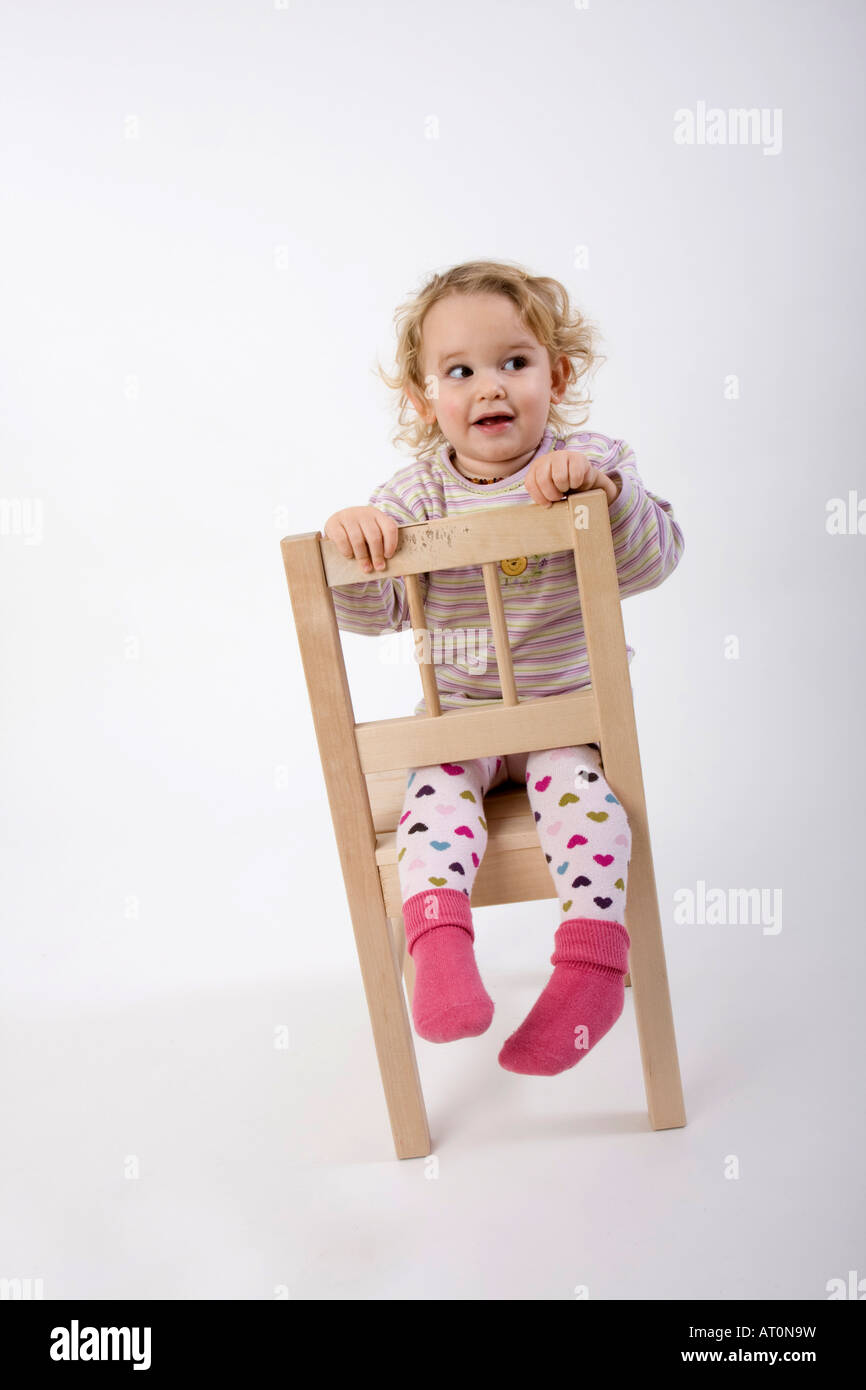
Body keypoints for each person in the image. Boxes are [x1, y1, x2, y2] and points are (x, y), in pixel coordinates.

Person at [323, 259, 684, 1076]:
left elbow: (654, 562)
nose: (490, 387)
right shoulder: (415, 497)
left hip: (567, 721)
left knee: (587, 807)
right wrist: (359, 542)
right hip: (463, 722)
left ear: (557, 375)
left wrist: (604, 495)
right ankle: (442, 949)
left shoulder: (593, 461)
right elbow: (376, 613)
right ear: (424, 400)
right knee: (433, 799)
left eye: (514, 363)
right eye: (460, 371)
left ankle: (591, 970)